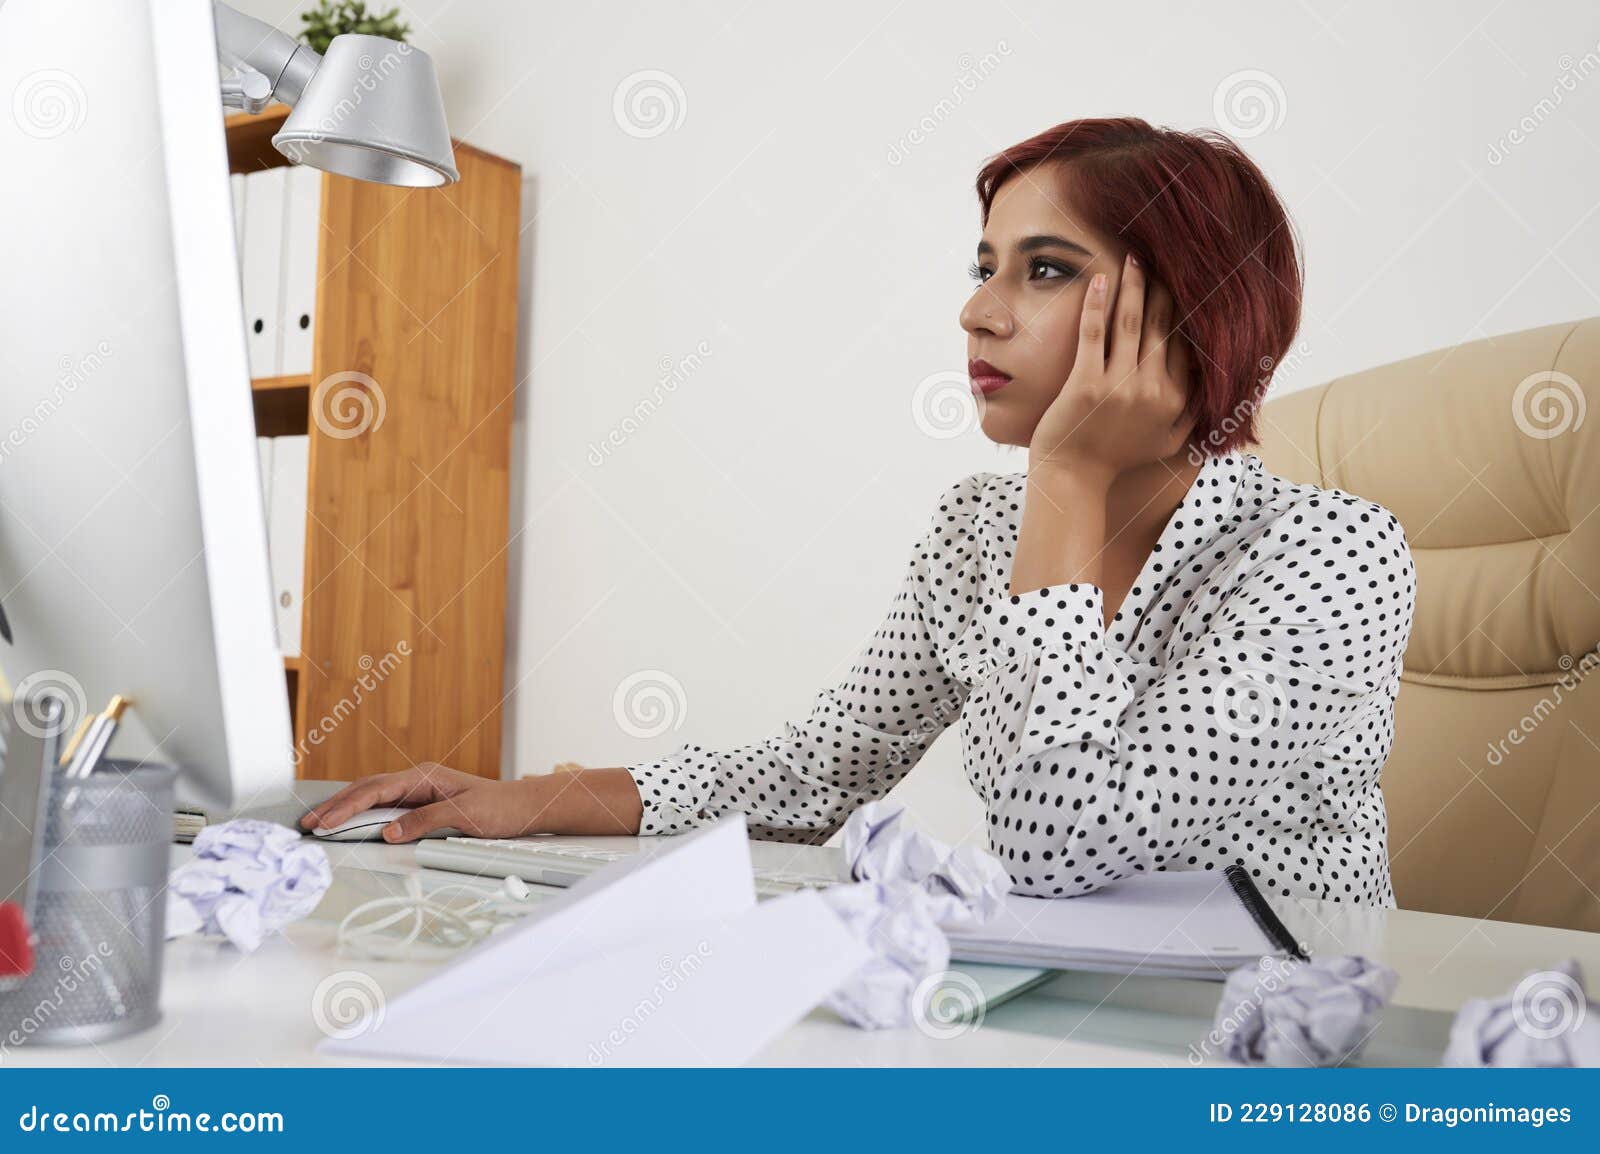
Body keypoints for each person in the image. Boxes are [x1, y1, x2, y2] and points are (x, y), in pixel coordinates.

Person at [303, 117, 1417, 905]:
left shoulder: (1333, 553)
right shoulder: (978, 531)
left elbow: (1057, 840)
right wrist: (535, 800)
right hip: (1060, 1009)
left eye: (1043, 270)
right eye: (984, 266)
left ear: (1186, 312)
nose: (977, 313)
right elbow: (817, 771)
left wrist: (1068, 480)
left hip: (1276, 1036)